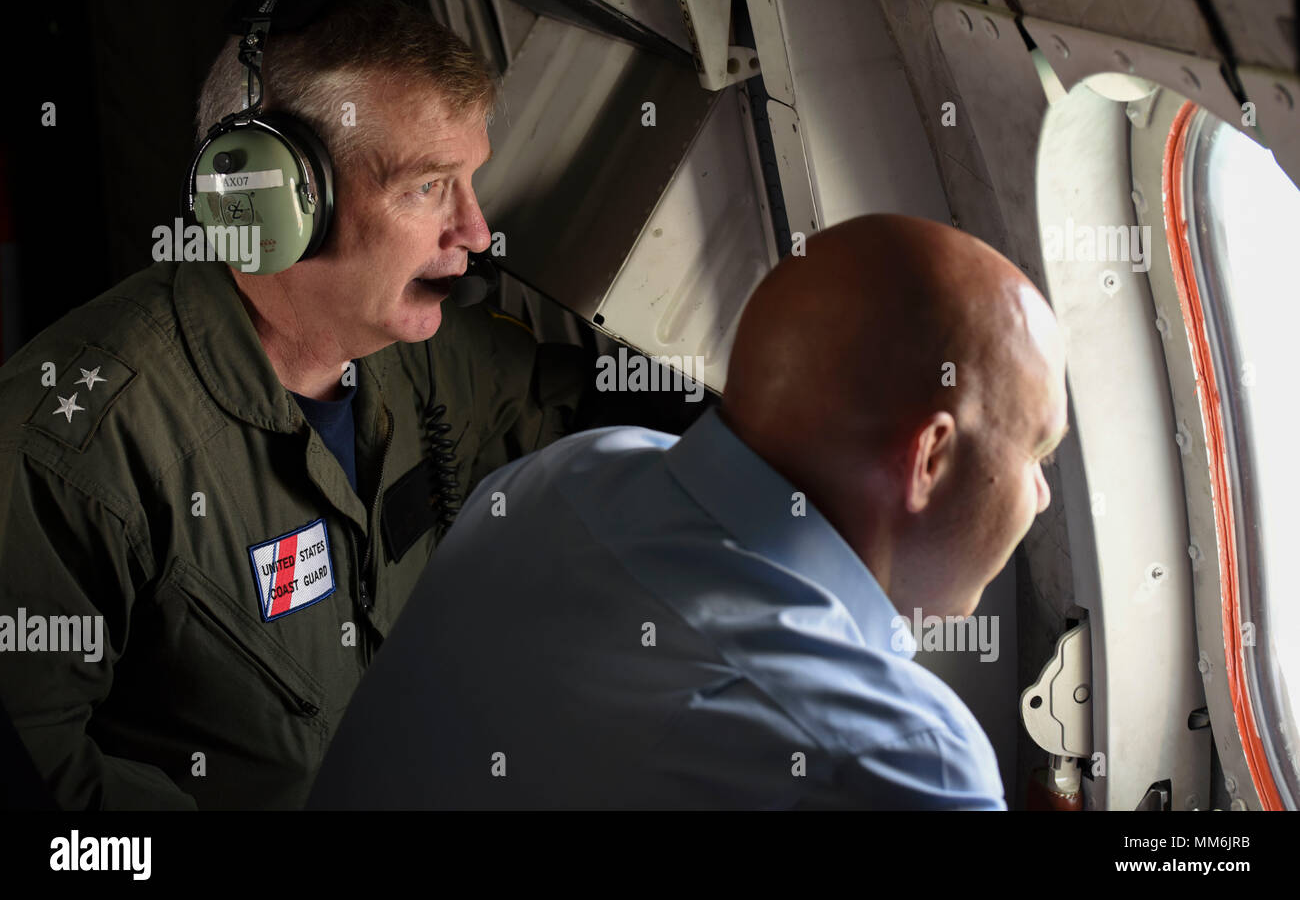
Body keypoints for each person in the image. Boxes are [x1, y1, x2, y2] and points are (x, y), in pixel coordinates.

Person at [0, 0, 582, 809]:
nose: (476, 232)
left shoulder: (426, 354)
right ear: (272, 200)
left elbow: (571, 409)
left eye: (469, 181)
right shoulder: (74, 451)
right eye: (427, 187)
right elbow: (41, 778)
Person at [309, 213, 1070, 809]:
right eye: (1034, 455)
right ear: (930, 458)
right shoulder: (897, 755)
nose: (1037, 496)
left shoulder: (564, 473)